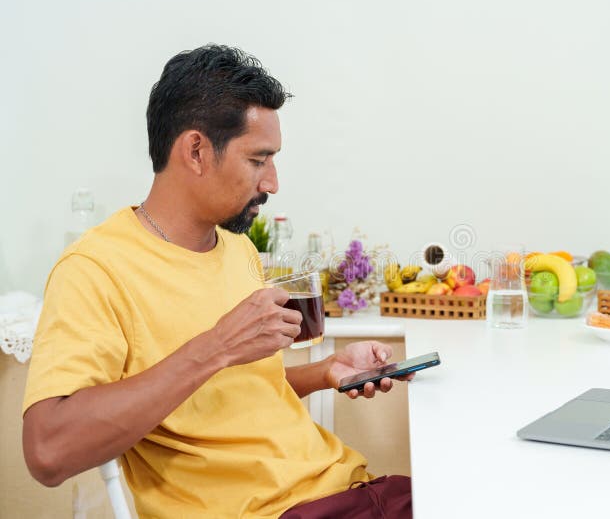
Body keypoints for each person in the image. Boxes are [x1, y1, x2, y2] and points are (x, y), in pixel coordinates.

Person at [22, 44, 413, 518]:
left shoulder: (237, 249)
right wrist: (218, 345)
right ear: (196, 151)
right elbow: (47, 452)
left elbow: (232, 398)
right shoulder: (95, 269)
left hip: (349, 489)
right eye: (258, 160)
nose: (272, 183)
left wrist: (326, 370)